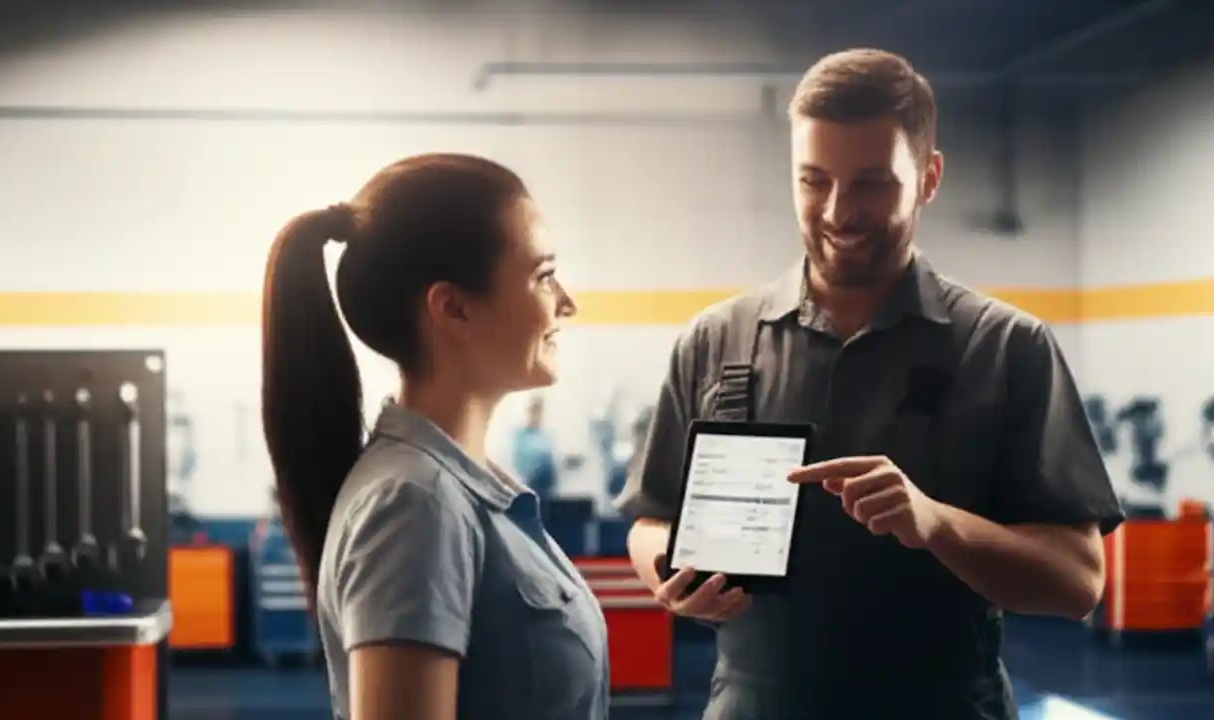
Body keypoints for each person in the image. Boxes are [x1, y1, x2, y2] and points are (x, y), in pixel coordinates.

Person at [616, 48, 1125, 720]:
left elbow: (1079, 582)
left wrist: (936, 522)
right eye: (813, 180)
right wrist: (670, 575)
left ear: (930, 177)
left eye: (871, 183)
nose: (837, 210)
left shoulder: (1006, 348)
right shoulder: (716, 340)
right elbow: (652, 519)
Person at [261, 153, 609, 720]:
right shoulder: (415, 504)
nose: (566, 301)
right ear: (452, 308)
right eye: (543, 276)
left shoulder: (459, 489)